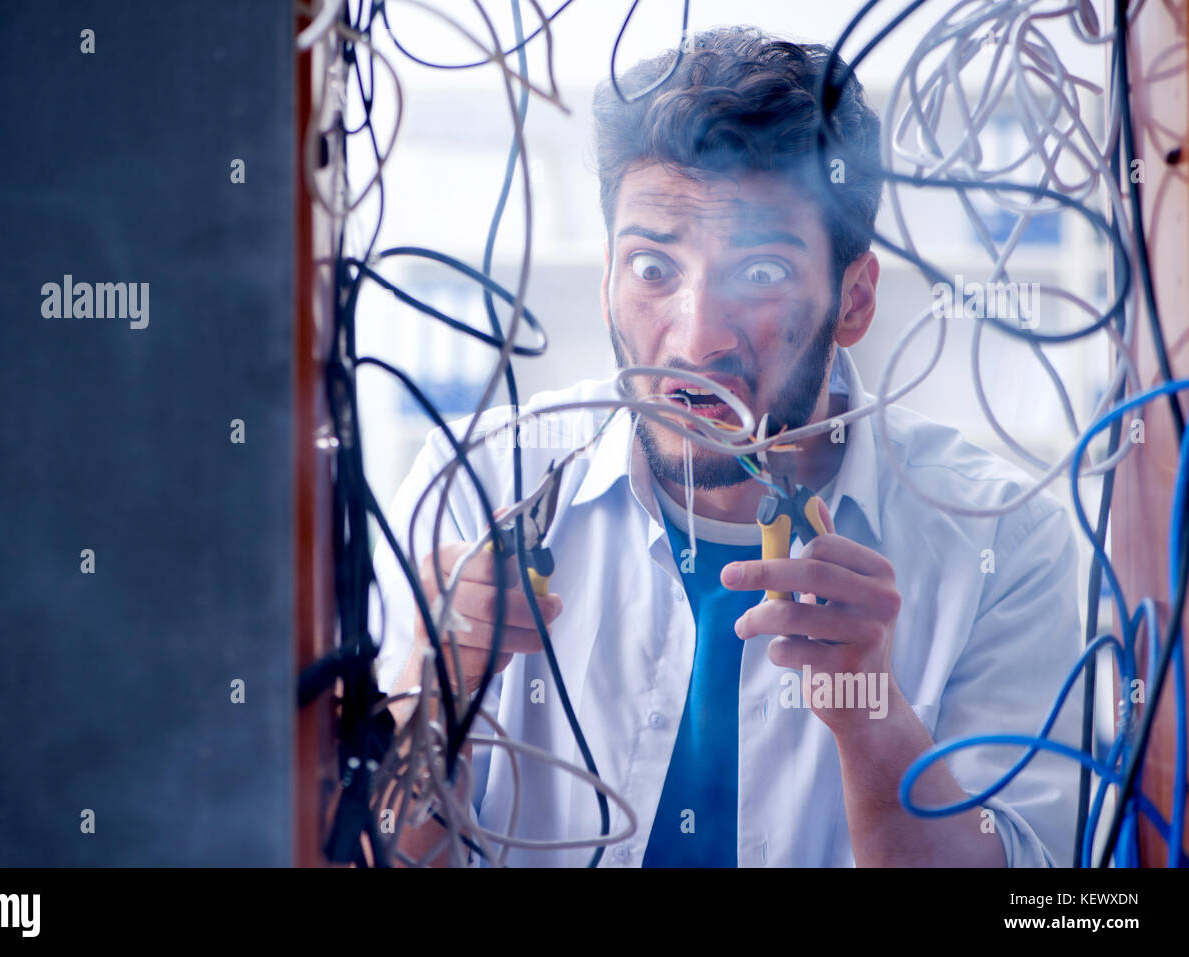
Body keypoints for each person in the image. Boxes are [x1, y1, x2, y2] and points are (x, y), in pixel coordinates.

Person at [372, 26, 1083, 867]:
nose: (696, 338)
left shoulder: (1003, 539)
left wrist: (871, 720)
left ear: (854, 299)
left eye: (761, 271)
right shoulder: (478, 484)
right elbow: (373, 853)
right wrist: (436, 688)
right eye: (652, 269)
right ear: (606, 277)